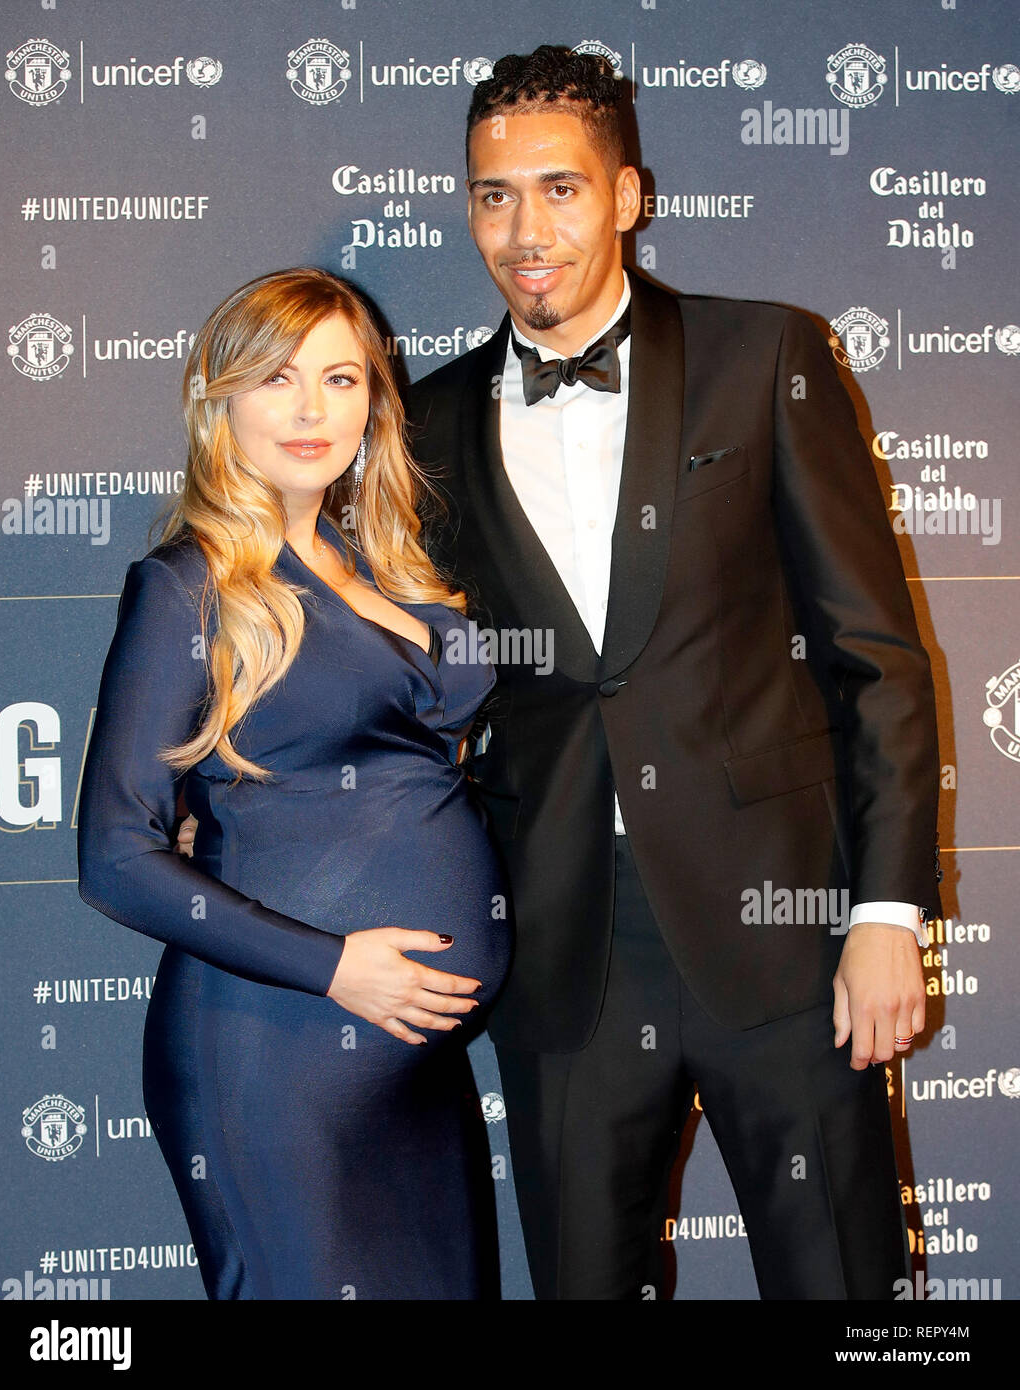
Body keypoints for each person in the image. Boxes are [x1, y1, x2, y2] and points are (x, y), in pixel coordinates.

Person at [404, 46, 942, 1300]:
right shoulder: (422, 425)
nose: (523, 229)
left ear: (628, 196)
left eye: (558, 189)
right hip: (559, 958)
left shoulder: (765, 359)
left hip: (784, 946)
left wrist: (883, 915)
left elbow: (874, 657)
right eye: (492, 194)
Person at [77, 268, 511, 1301]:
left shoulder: (379, 564)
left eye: (340, 377)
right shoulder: (188, 582)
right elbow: (112, 856)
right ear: (219, 398)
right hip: (277, 1056)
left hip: (409, 1069)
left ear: (375, 401)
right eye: (276, 378)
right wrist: (332, 967)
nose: (312, 408)